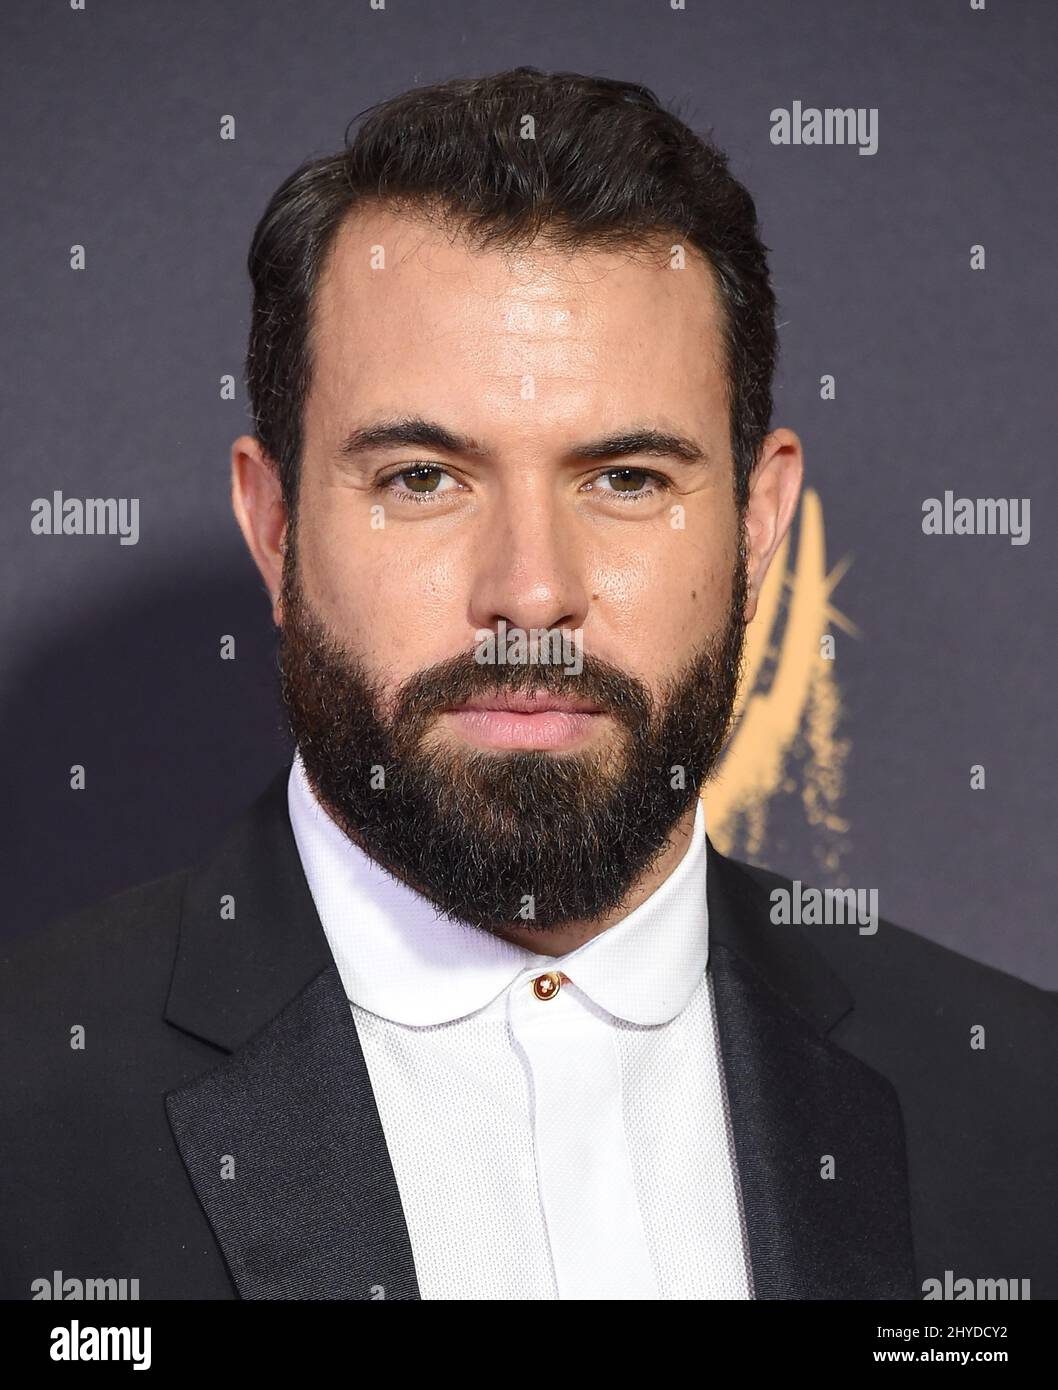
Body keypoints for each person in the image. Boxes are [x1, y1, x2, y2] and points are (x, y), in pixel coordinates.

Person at [3, 67, 1055, 1302]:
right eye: (420, 477)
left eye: (624, 479)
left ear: (757, 524)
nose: (530, 592)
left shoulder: (1019, 1104)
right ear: (275, 524)